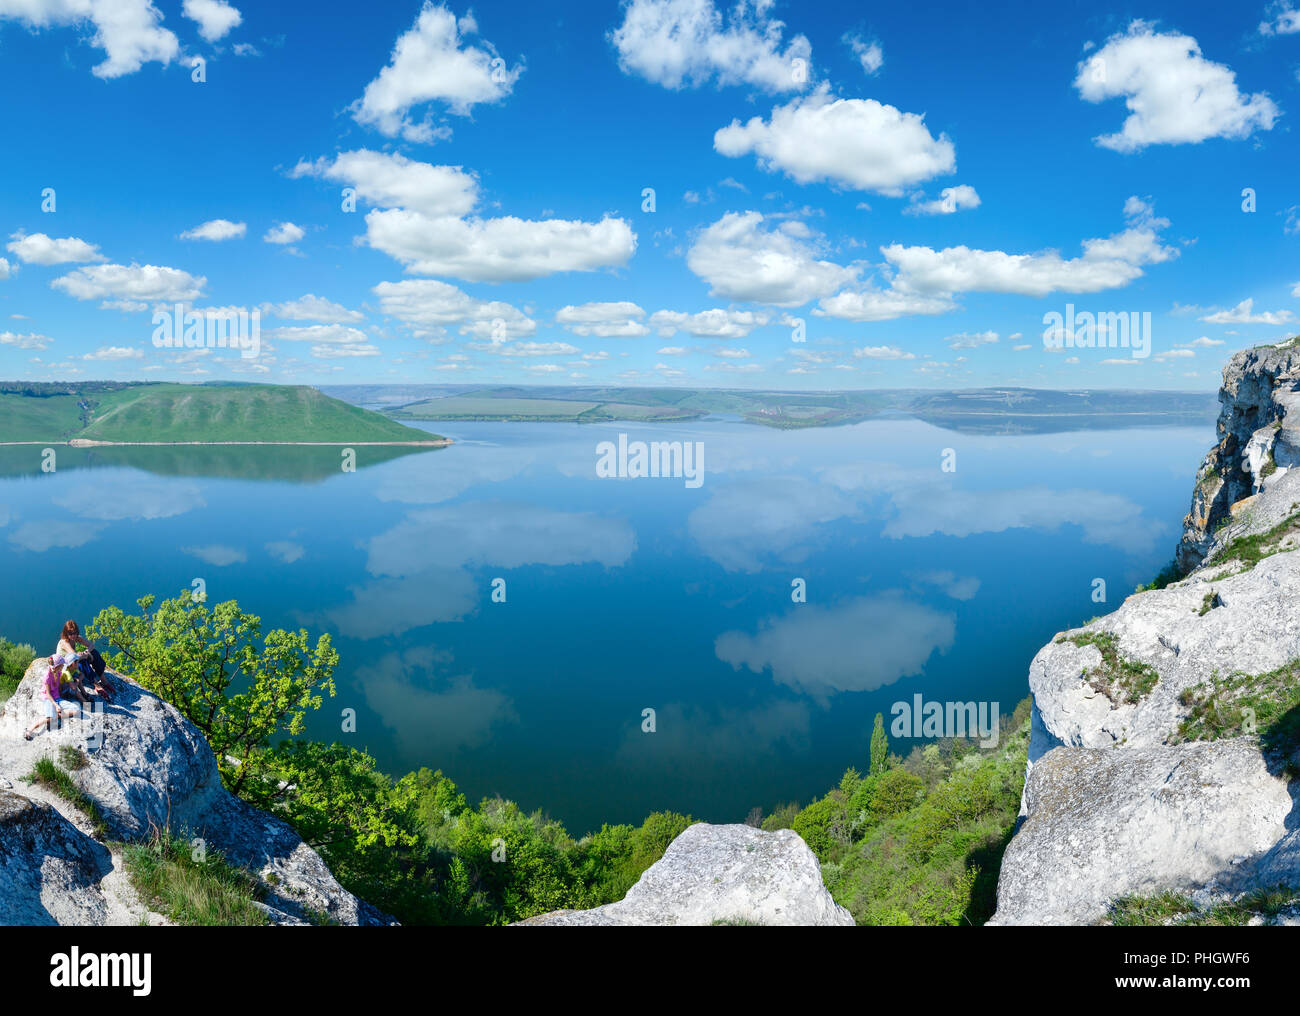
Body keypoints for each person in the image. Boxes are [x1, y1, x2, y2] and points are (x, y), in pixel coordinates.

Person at [24, 655, 81, 741]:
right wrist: (56, 705)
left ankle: (56, 716)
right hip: (48, 698)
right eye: (62, 665)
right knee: (49, 717)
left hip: (57, 697)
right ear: (58, 666)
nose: (63, 666)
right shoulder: (47, 676)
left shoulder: (58, 673)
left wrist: (61, 698)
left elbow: (58, 687)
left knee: (77, 709)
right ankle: (30, 730)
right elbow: (48, 694)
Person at [57, 620, 112, 701]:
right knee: (82, 661)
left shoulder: (77, 638)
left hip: (73, 662)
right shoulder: (64, 642)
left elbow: (92, 645)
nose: (73, 635)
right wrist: (85, 655)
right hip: (66, 666)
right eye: (70, 634)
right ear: (66, 633)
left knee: (94, 653)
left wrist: (87, 652)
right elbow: (74, 657)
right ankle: (96, 685)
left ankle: (103, 680)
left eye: (75, 633)